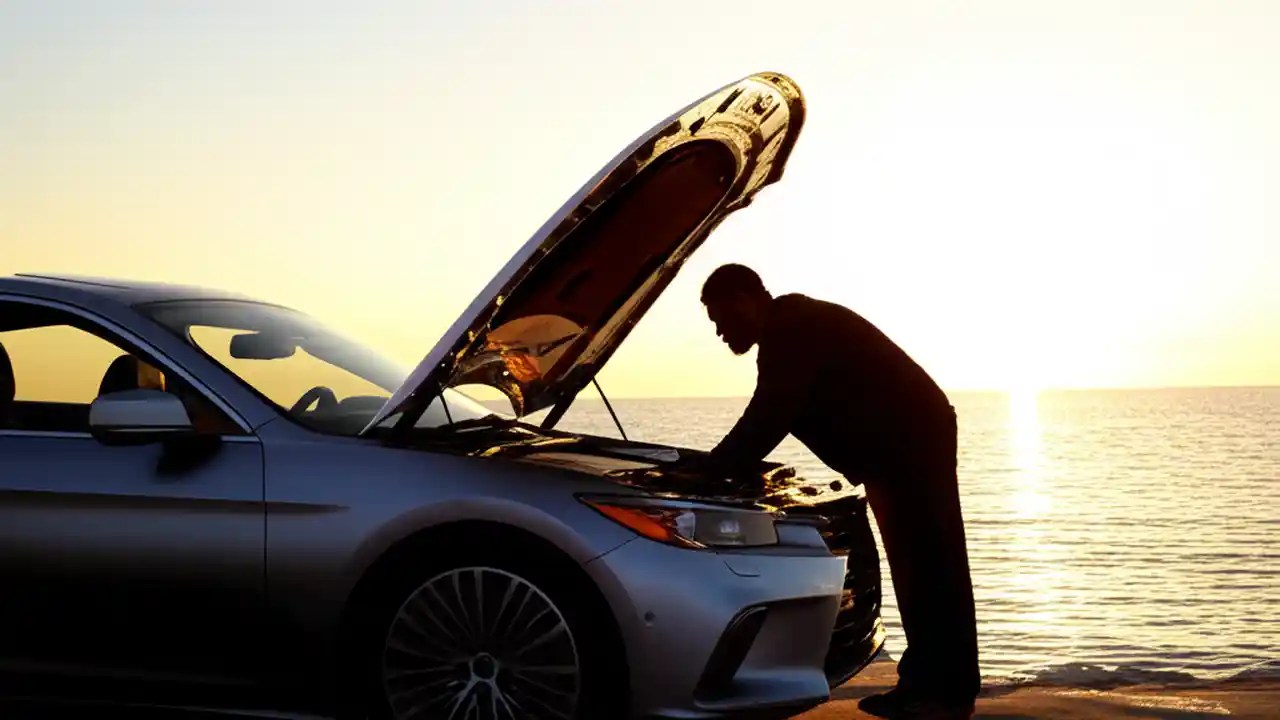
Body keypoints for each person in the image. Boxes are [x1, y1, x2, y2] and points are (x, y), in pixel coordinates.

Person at [698, 264, 980, 720]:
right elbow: (775, 412)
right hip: (902, 441)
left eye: (719, 318)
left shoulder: (790, 328)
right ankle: (929, 684)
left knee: (930, 564)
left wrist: (713, 470)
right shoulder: (788, 328)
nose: (719, 331)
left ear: (744, 300)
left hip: (910, 439)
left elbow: (770, 414)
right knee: (922, 567)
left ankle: (943, 693)